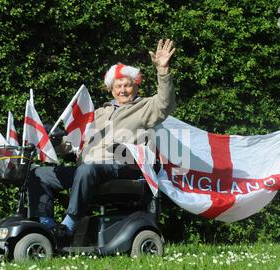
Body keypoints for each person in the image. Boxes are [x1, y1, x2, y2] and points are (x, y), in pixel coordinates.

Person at [28, 39, 176, 241]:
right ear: (111, 89)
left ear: (136, 86)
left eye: (127, 85)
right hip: (88, 170)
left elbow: (165, 103)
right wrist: (53, 143)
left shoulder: (145, 108)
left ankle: (68, 226)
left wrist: (163, 70)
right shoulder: (97, 113)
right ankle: (45, 226)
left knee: (88, 167)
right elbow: (74, 143)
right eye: (118, 86)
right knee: (39, 173)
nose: (123, 90)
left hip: (122, 168)